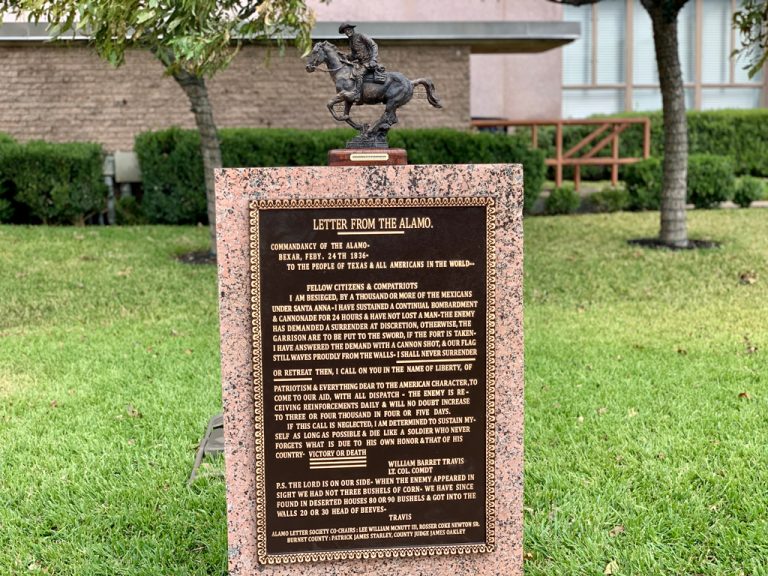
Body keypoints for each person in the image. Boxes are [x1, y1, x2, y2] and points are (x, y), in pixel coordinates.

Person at [339, 23, 382, 102]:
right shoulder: (351, 41)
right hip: (361, 63)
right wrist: (346, 57)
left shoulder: (361, 36)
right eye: (345, 31)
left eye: (348, 30)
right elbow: (355, 55)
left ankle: (358, 95)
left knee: (359, 74)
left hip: (369, 62)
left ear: (352, 29)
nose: (347, 32)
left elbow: (374, 45)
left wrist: (374, 59)